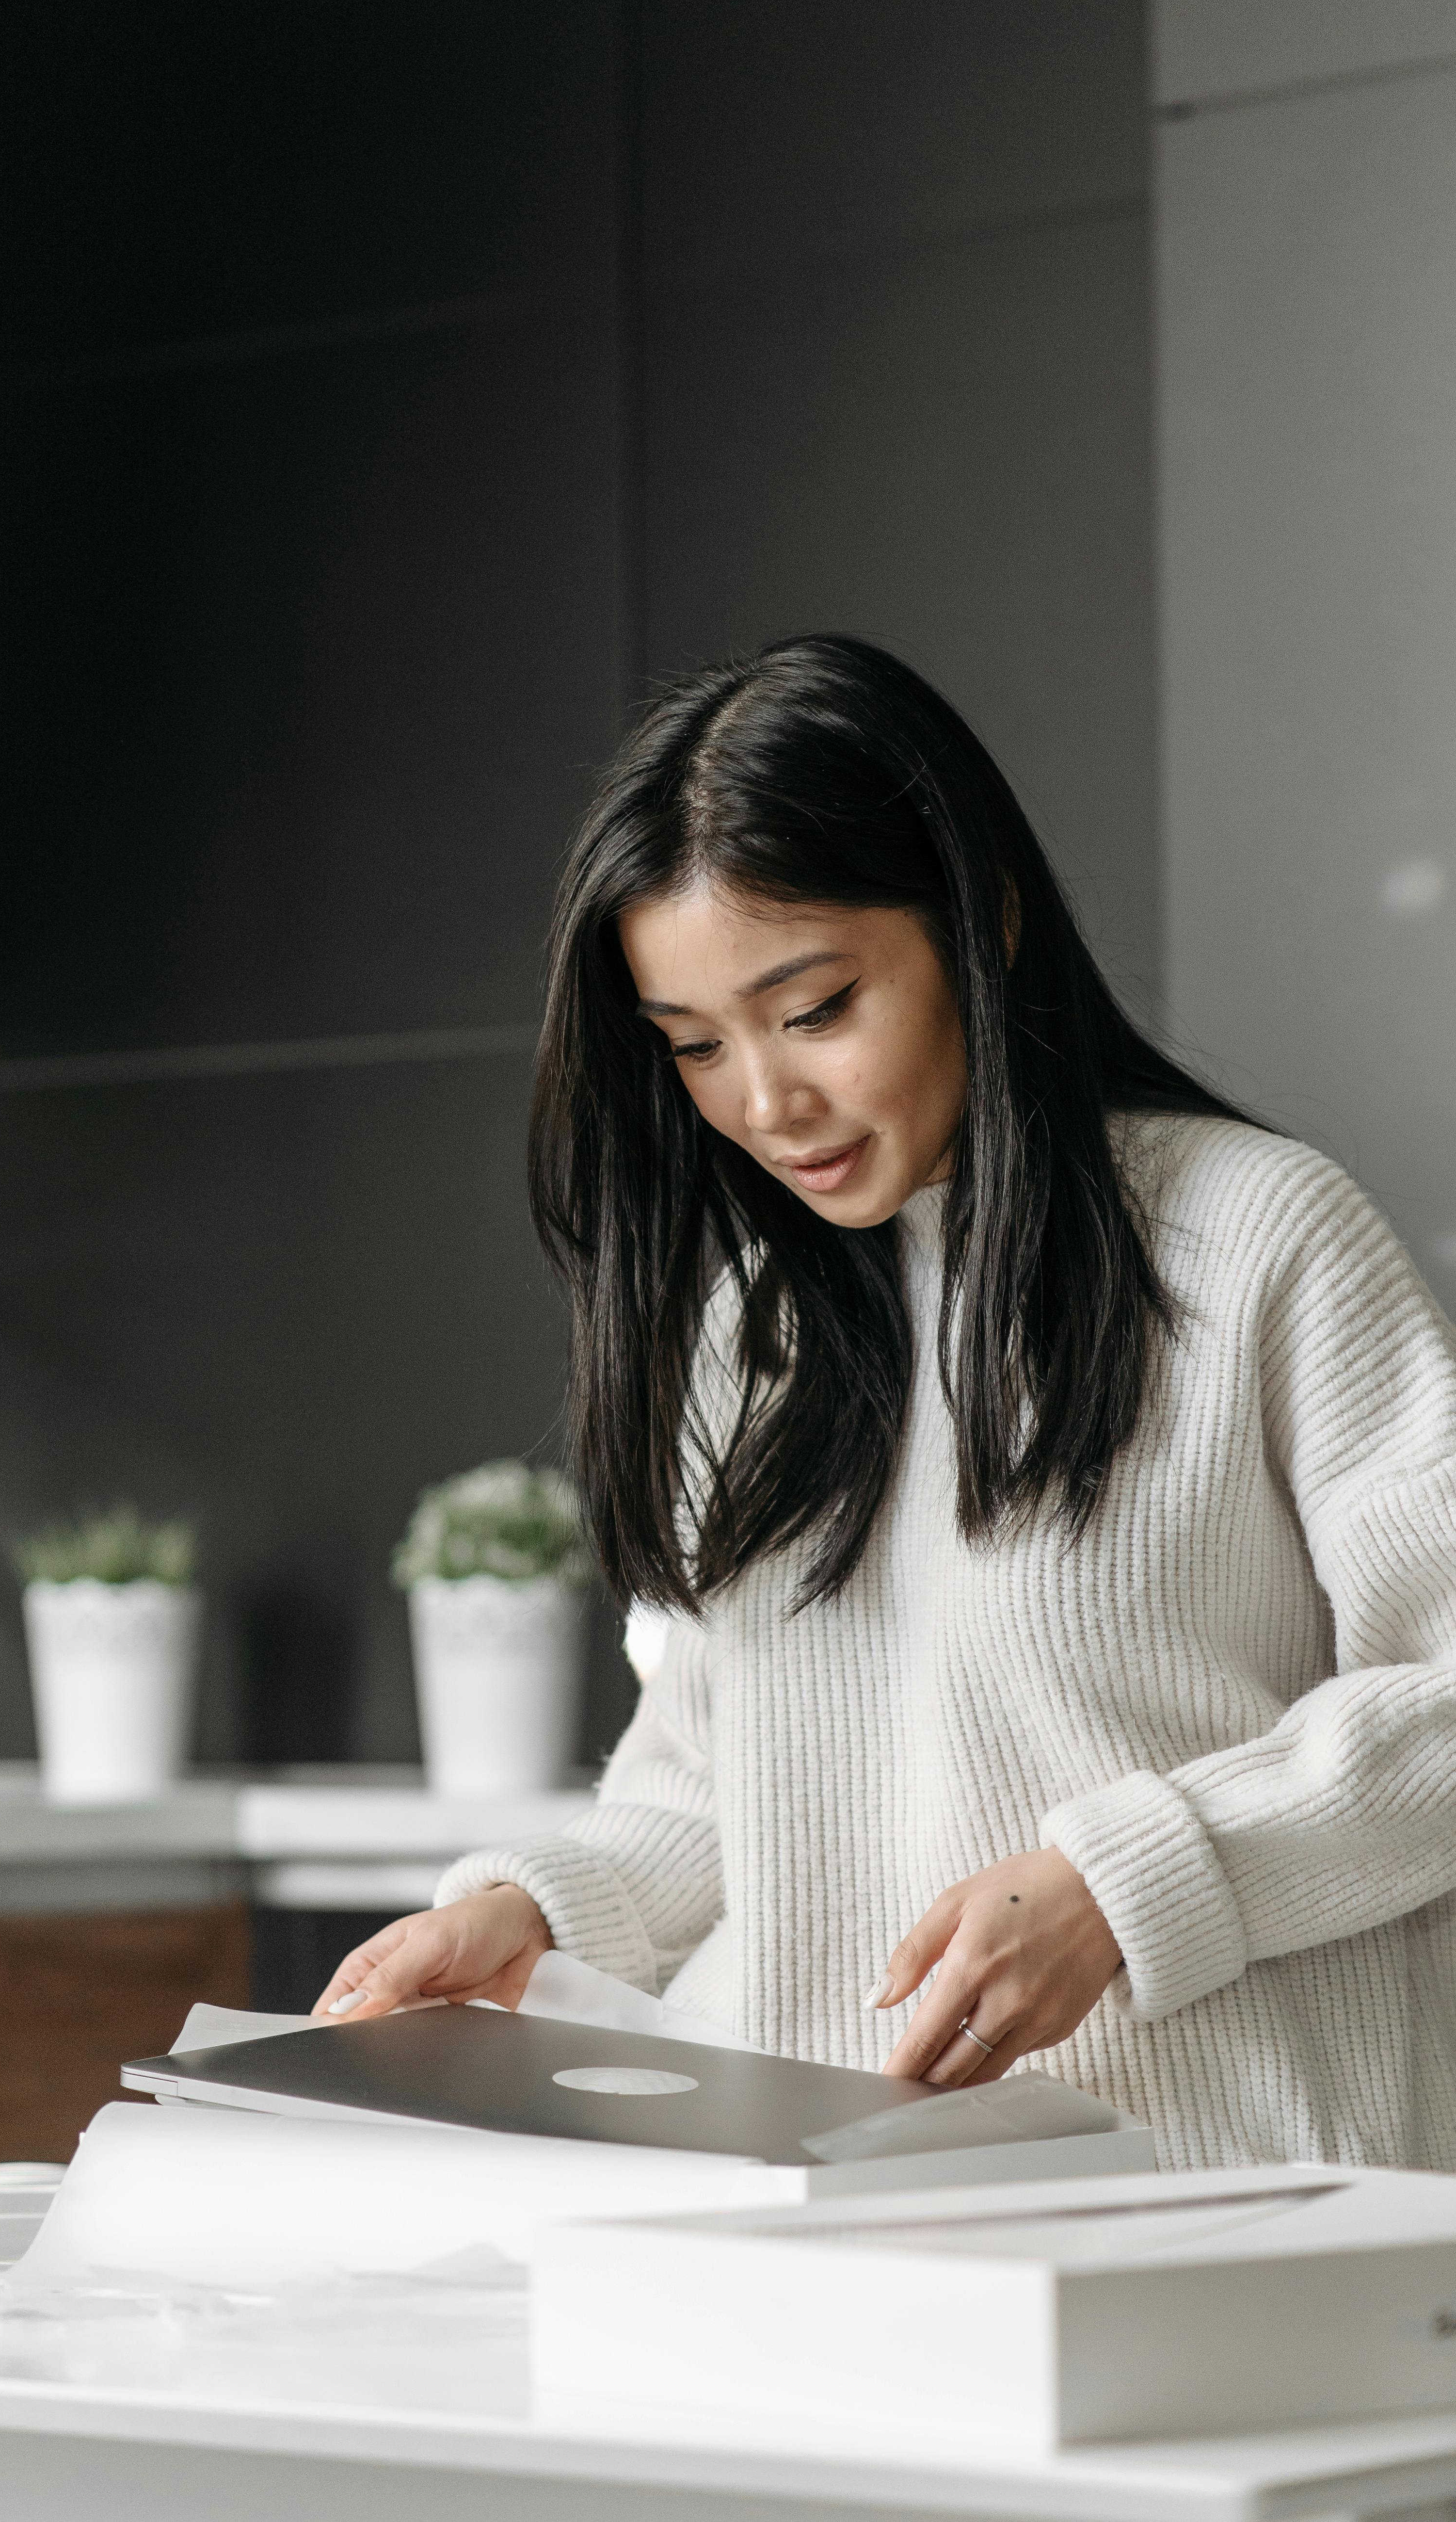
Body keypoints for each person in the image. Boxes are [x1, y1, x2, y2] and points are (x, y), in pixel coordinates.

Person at [314, 635, 1456, 2171]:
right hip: (831, 2226)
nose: (763, 1104)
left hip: (1226, 2218)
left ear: (973, 921)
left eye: (815, 1007)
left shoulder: (1254, 1236)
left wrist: (1134, 1885)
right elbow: (718, 1802)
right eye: (696, 1048)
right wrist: (524, 1914)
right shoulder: (753, 1333)